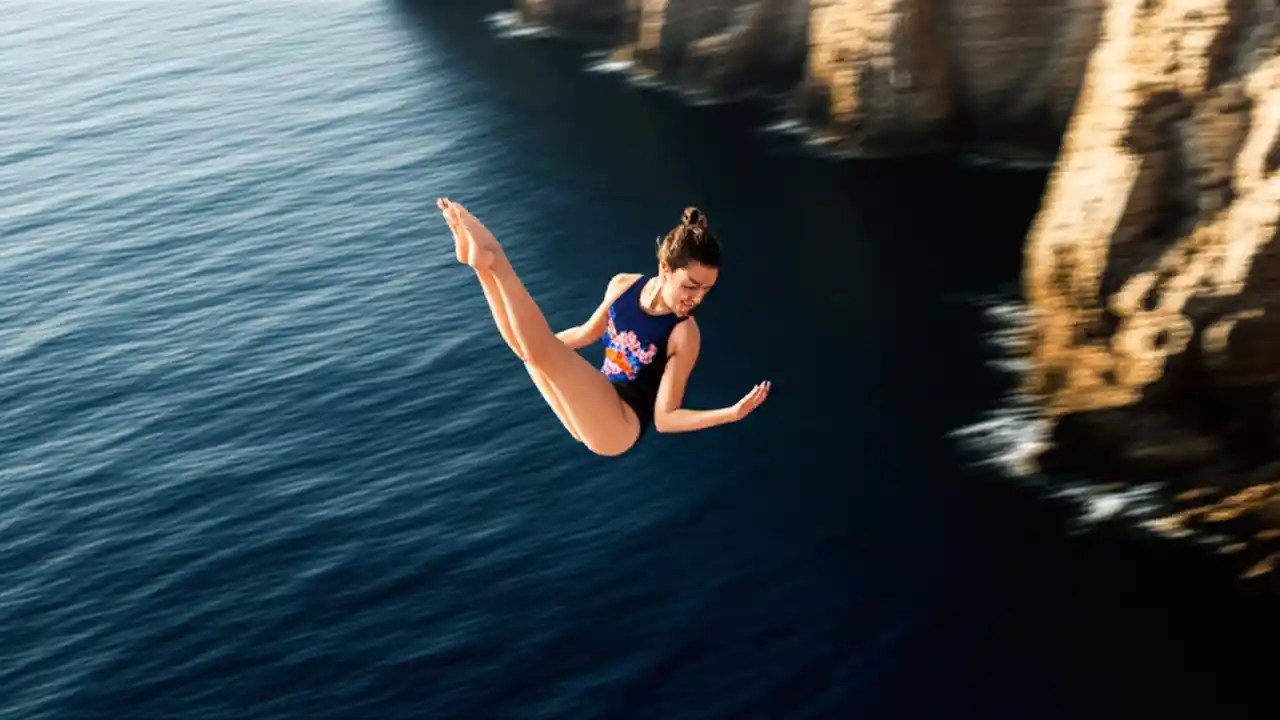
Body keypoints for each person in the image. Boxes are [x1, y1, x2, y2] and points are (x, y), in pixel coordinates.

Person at [437, 198, 769, 456]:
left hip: (620, 426)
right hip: (595, 408)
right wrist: (538, 348)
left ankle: (495, 258)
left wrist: (731, 413)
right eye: (690, 286)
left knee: (539, 349)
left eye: (705, 291)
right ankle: (484, 268)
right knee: (529, 352)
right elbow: (584, 334)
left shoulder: (684, 333)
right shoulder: (623, 285)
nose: (696, 298)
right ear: (666, 269)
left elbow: (665, 419)